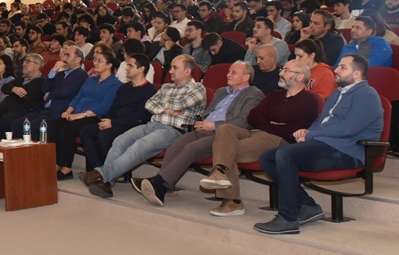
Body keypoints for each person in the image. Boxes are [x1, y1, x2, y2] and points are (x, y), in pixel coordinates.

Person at [254, 54, 384, 234]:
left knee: (285, 154)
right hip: (325, 145)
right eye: (338, 66)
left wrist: (312, 135)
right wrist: (307, 131)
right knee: (268, 157)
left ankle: (287, 218)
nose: (336, 70)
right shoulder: (337, 93)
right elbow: (321, 121)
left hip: (347, 150)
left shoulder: (366, 94)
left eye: (343, 67)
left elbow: (348, 128)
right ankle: (307, 206)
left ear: (357, 74)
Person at [134, 61, 264, 207]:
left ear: (246, 76)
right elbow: (207, 113)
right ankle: (162, 187)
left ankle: (158, 182)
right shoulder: (221, 91)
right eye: (228, 71)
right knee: (176, 146)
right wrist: (200, 121)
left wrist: (213, 125)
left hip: (224, 135)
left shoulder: (253, 93)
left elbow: (244, 121)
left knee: (191, 149)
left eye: (233, 72)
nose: (228, 75)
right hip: (203, 129)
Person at [199, 60, 320, 216]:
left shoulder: (309, 100)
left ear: (299, 76)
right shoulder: (275, 95)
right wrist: (273, 122)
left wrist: (270, 121)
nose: (281, 73)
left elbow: (292, 124)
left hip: (279, 138)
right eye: (282, 70)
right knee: (225, 128)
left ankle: (231, 199)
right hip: (258, 132)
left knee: (227, 152)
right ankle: (220, 172)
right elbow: (253, 116)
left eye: (286, 70)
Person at [78, 55, 207, 198]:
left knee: (138, 146)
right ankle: (106, 182)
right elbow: (149, 104)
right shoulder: (166, 87)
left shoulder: (197, 89)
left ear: (187, 71)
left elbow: (179, 105)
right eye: (171, 67)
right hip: (151, 125)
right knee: (119, 141)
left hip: (172, 130)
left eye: (175, 68)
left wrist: (161, 106)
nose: (170, 71)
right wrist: (166, 109)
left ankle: (100, 175)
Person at [79, 53, 157, 172]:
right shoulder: (124, 87)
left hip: (132, 126)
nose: (126, 68)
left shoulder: (150, 91)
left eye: (130, 66)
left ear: (141, 69)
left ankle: (106, 171)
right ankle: (98, 168)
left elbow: (141, 117)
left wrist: (112, 123)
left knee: (104, 135)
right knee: (86, 131)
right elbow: (114, 108)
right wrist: (106, 120)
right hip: (116, 122)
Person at [53, 49, 122, 179]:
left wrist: (80, 115)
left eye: (100, 61)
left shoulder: (114, 84)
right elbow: (78, 98)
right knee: (54, 125)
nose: (95, 63)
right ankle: (57, 163)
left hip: (94, 117)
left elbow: (104, 107)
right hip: (78, 115)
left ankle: (67, 167)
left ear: (109, 65)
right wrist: (68, 111)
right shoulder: (91, 80)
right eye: (95, 60)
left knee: (68, 128)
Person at [0, 54, 46, 144]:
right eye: (24, 61)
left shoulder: (41, 81)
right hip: (4, 109)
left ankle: (4, 150)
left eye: (27, 61)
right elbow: (4, 87)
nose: (24, 64)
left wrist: (10, 94)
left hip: (21, 112)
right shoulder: (21, 79)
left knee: (6, 120)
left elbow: (27, 97)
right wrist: (14, 89)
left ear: (36, 66)